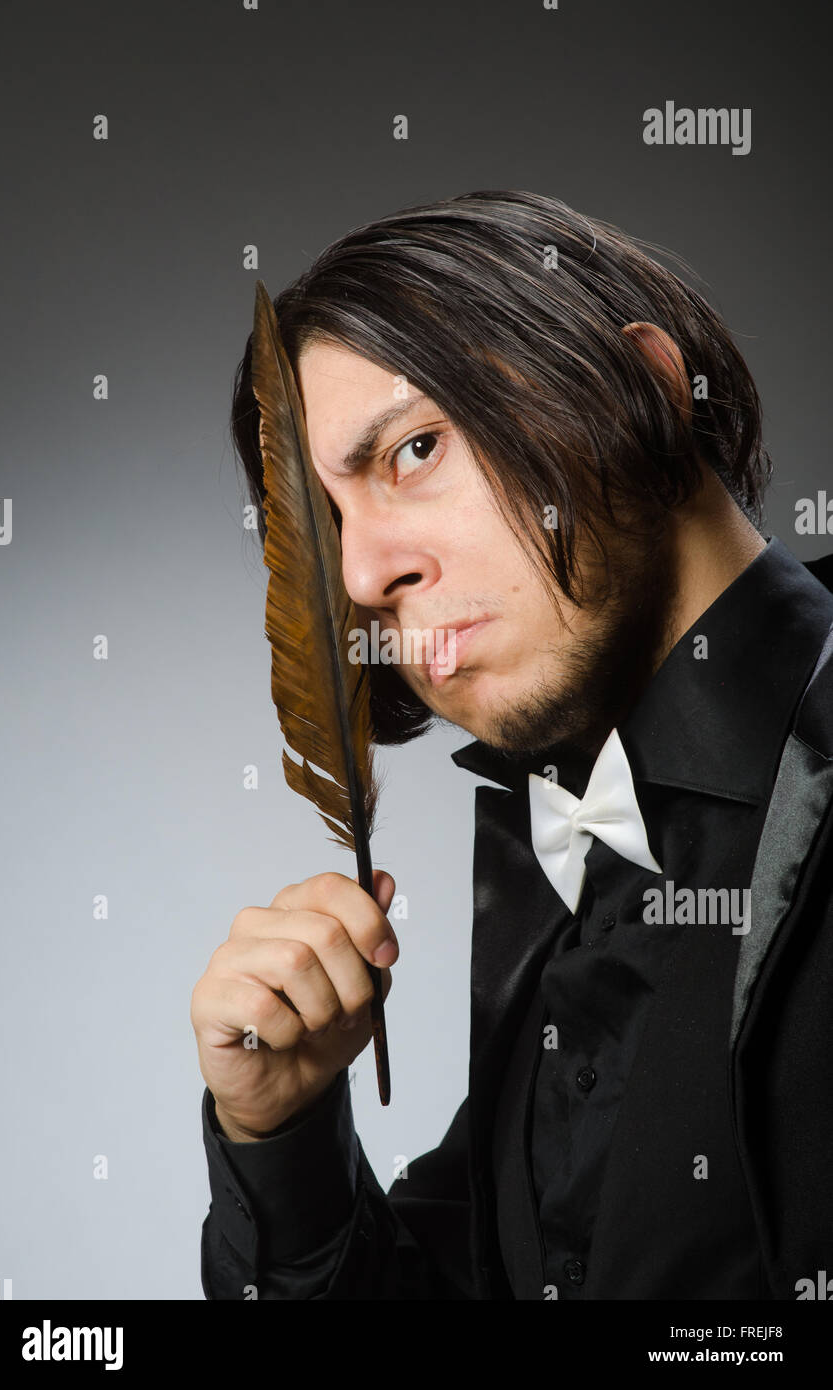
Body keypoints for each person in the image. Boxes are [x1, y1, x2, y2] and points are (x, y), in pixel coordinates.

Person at [190, 190, 833, 1300]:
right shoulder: (561, 865)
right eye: (329, 520)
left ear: (640, 386)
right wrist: (279, 1133)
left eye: (414, 448)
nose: (358, 577)